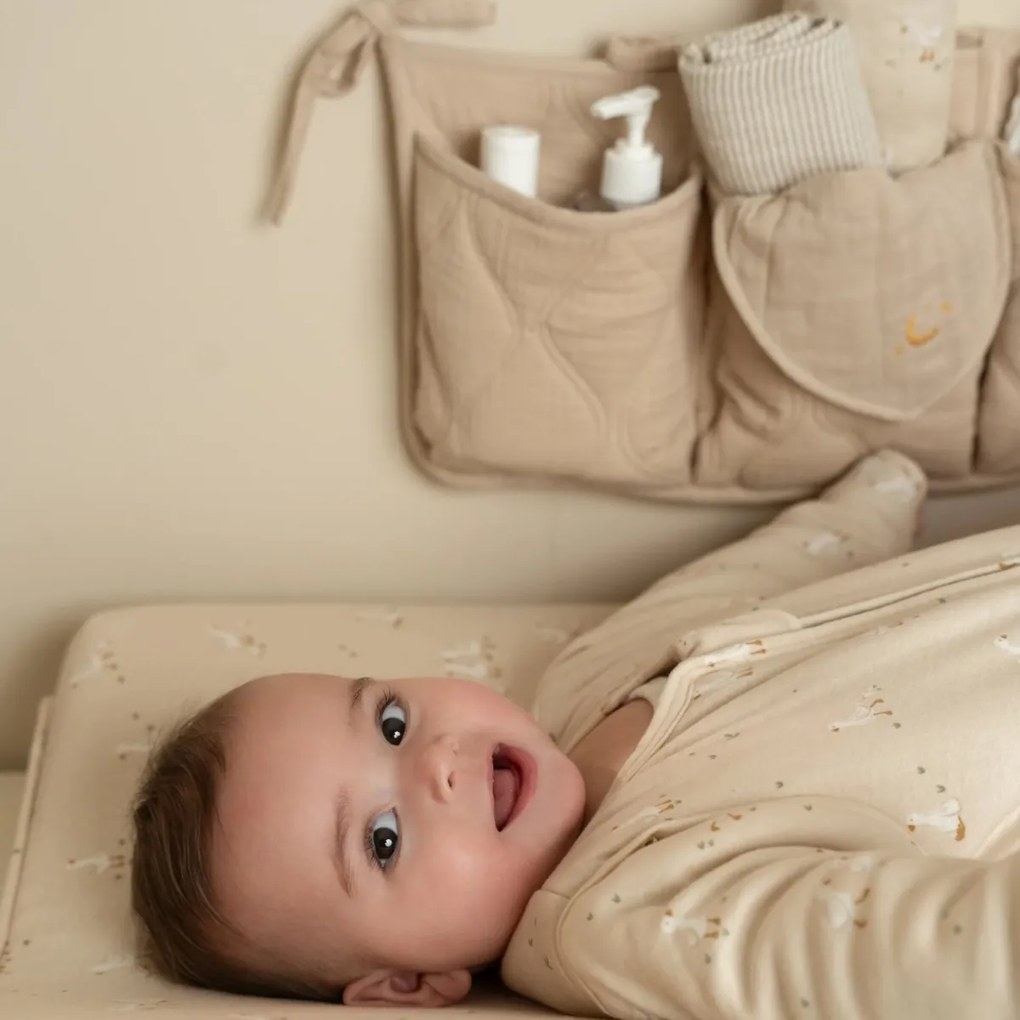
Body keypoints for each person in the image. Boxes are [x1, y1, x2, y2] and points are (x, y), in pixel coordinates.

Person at [132, 451, 1020, 1018]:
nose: (436, 764)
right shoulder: (629, 920)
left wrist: (876, 493)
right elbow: (929, 956)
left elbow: (751, 579)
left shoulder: (580, 683)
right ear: (407, 984)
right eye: (383, 839)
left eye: (393, 724)